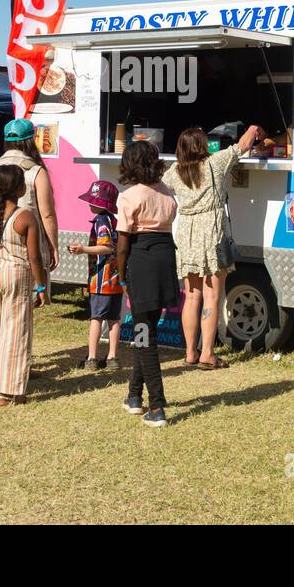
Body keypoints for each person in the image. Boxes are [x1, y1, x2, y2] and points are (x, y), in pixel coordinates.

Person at [163, 123, 262, 369]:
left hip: (186, 232)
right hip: (212, 232)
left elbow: (163, 181)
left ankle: (189, 353)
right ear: (202, 146)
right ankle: (207, 353)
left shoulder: (174, 172)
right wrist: (253, 129)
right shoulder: (214, 163)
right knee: (212, 295)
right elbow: (244, 145)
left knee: (192, 295)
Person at [115, 140, 181, 427]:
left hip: (141, 264)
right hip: (165, 261)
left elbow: (122, 244)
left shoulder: (129, 197)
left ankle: (157, 407)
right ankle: (133, 396)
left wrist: (121, 275)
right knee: (146, 330)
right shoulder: (168, 193)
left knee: (144, 337)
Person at [0, 164, 48, 406]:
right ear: (19, 189)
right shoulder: (25, 217)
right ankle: (6, 392)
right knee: (15, 332)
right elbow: (34, 257)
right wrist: (42, 286)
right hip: (15, 275)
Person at [0, 118, 59, 279]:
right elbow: (47, 215)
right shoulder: (36, 171)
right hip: (26, 258)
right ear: (31, 141)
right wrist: (54, 246)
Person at [68, 180, 122, 370]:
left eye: (93, 201)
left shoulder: (101, 221)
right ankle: (113, 358)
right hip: (116, 279)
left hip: (102, 280)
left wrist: (83, 249)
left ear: (101, 204)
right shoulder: (114, 220)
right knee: (114, 318)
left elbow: (106, 247)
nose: (89, 204)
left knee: (96, 318)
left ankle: (91, 358)